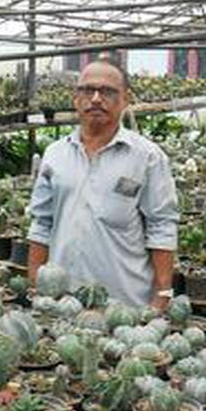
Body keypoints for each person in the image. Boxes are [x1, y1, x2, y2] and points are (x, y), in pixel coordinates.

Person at [25, 60, 179, 311]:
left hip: (124, 304)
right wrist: (35, 283)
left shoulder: (147, 157)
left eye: (107, 91)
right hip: (62, 302)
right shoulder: (55, 154)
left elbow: (162, 225)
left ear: (125, 99)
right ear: (76, 98)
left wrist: (163, 294)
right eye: (87, 90)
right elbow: (41, 223)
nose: (96, 99)